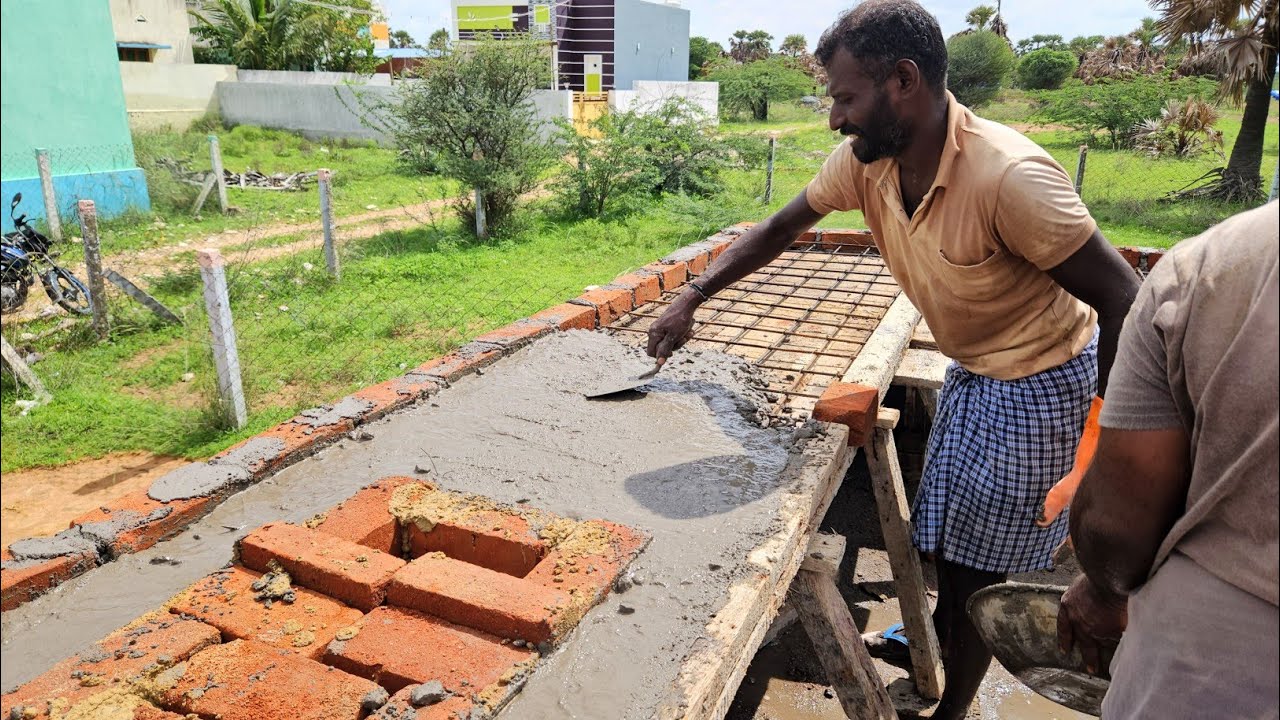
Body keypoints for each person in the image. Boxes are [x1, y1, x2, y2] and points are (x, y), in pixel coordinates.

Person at [644, 1, 1140, 717]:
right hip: (975, 371)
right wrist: (693, 297)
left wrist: (1099, 447)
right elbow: (784, 226)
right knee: (941, 535)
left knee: (977, 567)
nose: (833, 118)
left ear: (902, 81)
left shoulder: (1010, 178)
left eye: (845, 97)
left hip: (1040, 384)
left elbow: (1127, 298)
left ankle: (951, 707)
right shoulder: (869, 165)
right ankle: (931, 635)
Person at [1057, 201, 1279, 718]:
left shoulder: (1211, 270)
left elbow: (1119, 528)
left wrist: (1103, 592)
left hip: (1216, 668)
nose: (836, 117)